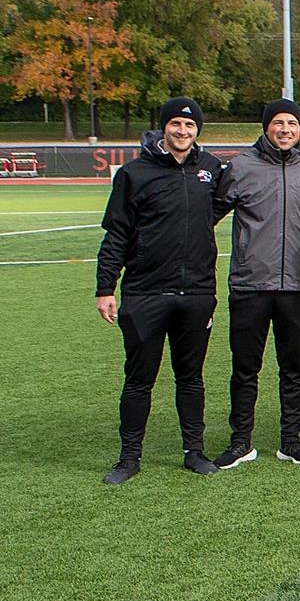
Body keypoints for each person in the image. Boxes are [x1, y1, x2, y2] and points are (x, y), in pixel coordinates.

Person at [96, 98, 226, 484]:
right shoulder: (134, 173)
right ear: (163, 128)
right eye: (175, 125)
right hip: (145, 292)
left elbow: (216, 212)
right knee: (139, 378)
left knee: (191, 376)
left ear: (197, 130)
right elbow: (116, 234)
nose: (182, 132)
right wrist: (106, 287)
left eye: (189, 126)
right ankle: (129, 458)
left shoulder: (211, 169)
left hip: (197, 291)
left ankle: (194, 451)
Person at [210, 98, 300, 468]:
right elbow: (206, 216)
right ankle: (240, 441)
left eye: (292, 123)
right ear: (266, 127)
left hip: (298, 285)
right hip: (250, 284)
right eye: (278, 123)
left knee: (294, 367)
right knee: (245, 367)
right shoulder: (241, 167)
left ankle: (291, 440)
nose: (285, 130)